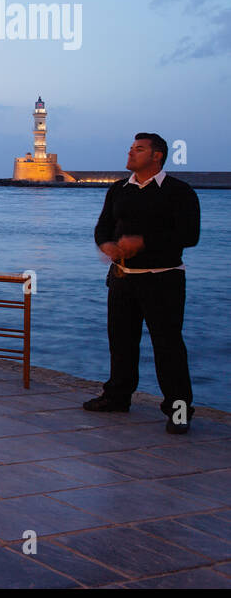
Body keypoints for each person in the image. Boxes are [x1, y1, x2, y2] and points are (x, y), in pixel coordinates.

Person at [84, 133, 200, 434]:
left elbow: (190, 235)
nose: (131, 153)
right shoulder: (119, 190)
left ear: (157, 155)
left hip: (163, 279)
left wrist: (143, 242)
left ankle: (178, 410)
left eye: (139, 149)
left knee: (168, 346)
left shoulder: (179, 192)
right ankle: (117, 396)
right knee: (121, 341)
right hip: (122, 279)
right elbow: (103, 228)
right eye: (131, 148)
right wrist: (107, 245)